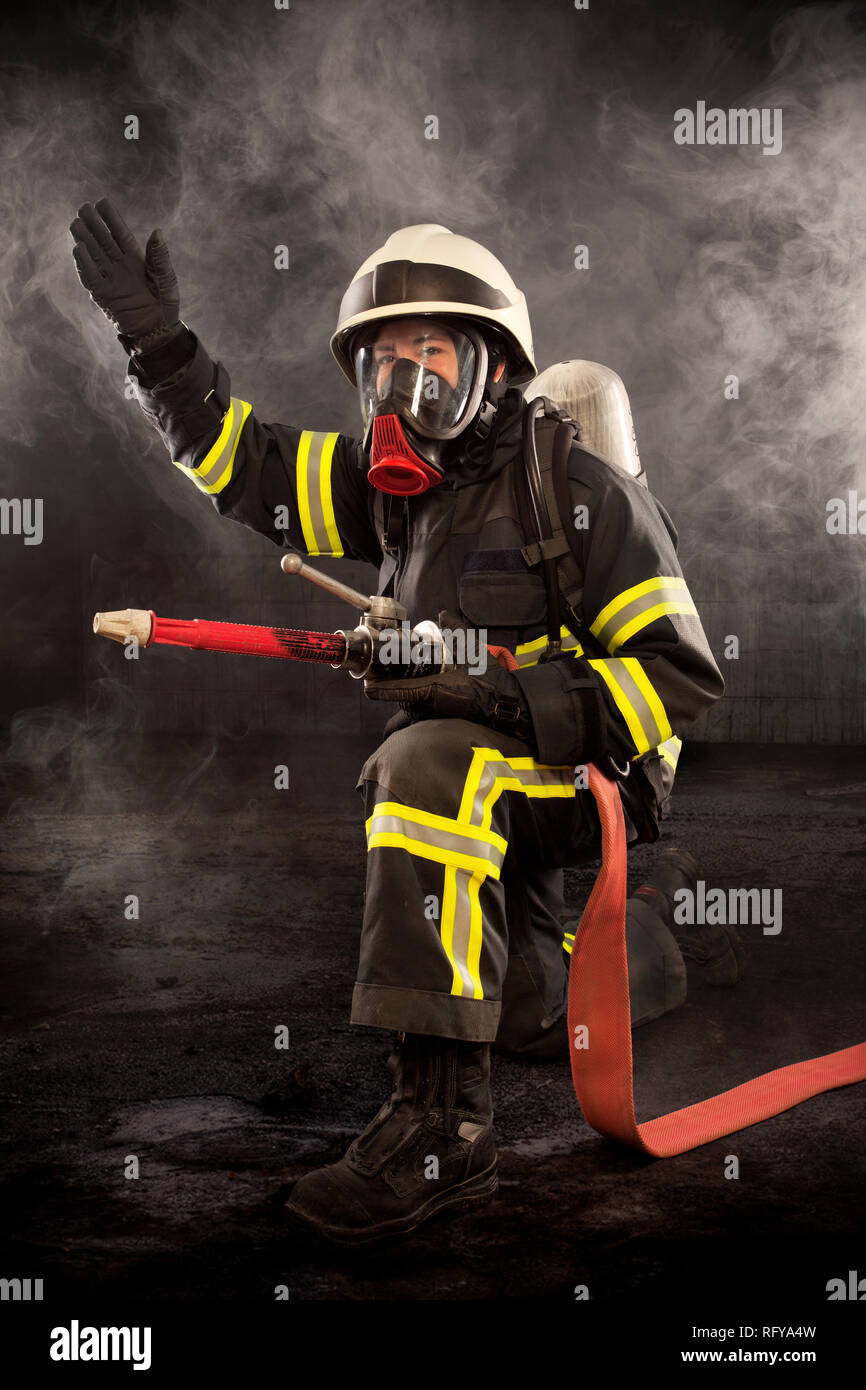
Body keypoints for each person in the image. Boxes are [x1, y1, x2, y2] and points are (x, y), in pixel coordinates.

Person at [70, 200, 737, 1244]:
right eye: (381, 361)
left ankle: (441, 1135)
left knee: (422, 766)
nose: (403, 382)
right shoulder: (399, 496)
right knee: (525, 1013)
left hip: (592, 770)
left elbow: (677, 676)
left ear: (490, 363)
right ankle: (642, 926)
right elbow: (241, 470)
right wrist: (155, 344)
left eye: (428, 350)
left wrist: (490, 693)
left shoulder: (574, 489)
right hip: (499, 774)